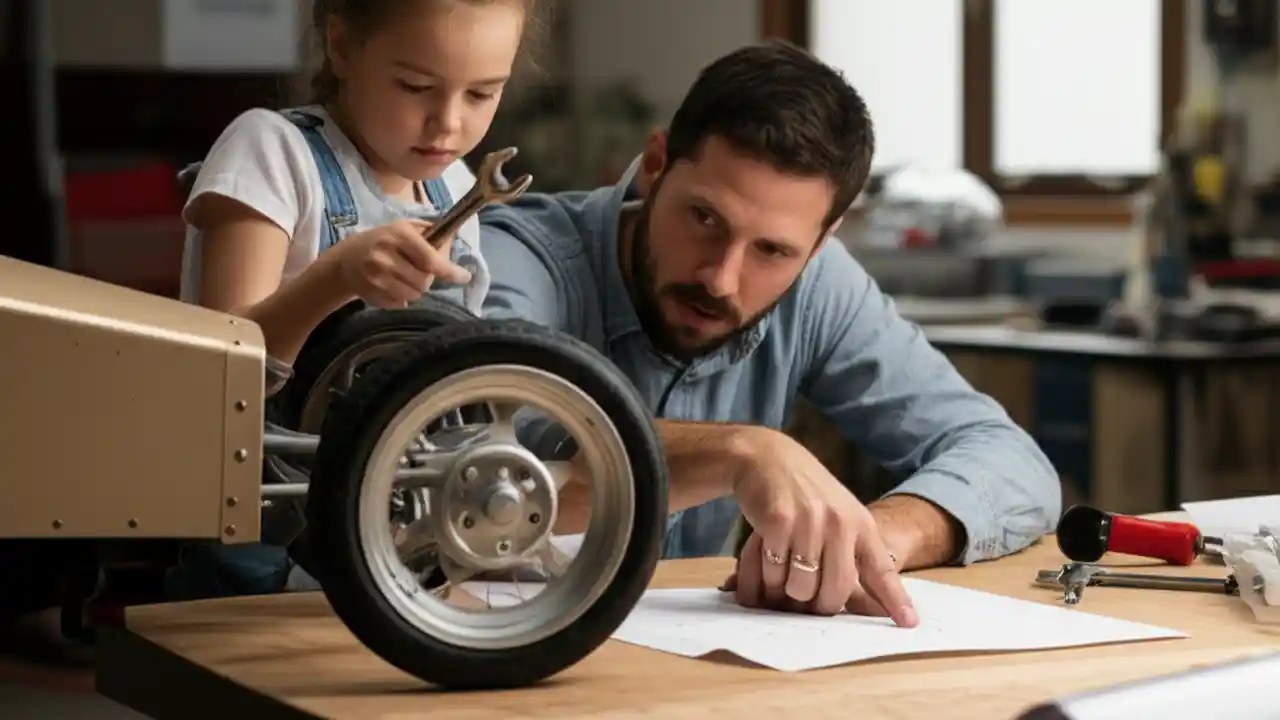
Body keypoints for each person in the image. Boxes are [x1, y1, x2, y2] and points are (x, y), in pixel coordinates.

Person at [479, 41, 1062, 627]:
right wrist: (742, 451)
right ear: (655, 165)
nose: (722, 278)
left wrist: (875, 538)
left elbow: (1009, 460)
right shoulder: (510, 258)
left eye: (773, 250)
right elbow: (500, 447)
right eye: (704, 218)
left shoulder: (818, 285)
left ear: (823, 238)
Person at [170, 0, 537, 599]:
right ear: (341, 47)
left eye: (481, 95)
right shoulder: (272, 151)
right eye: (416, 86)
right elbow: (219, 375)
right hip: (257, 537)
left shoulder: (460, 189)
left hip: (395, 540)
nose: (447, 124)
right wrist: (335, 277)